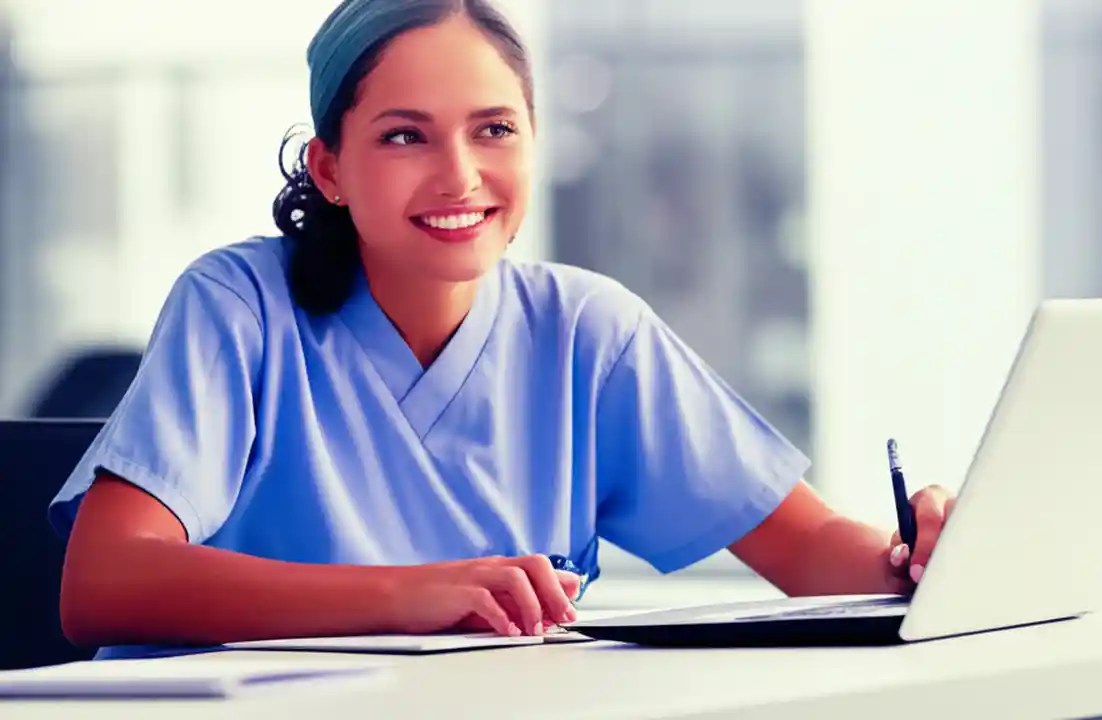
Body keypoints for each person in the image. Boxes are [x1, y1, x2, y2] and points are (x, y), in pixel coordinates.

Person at [49, 0, 955, 659]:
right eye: (406, 137)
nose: (459, 176)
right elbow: (104, 585)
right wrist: (411, 593)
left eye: (493, 130)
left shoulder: (585, 334)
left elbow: (805, 551)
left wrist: (921, 557)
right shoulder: (239, 305)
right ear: (329, 168)